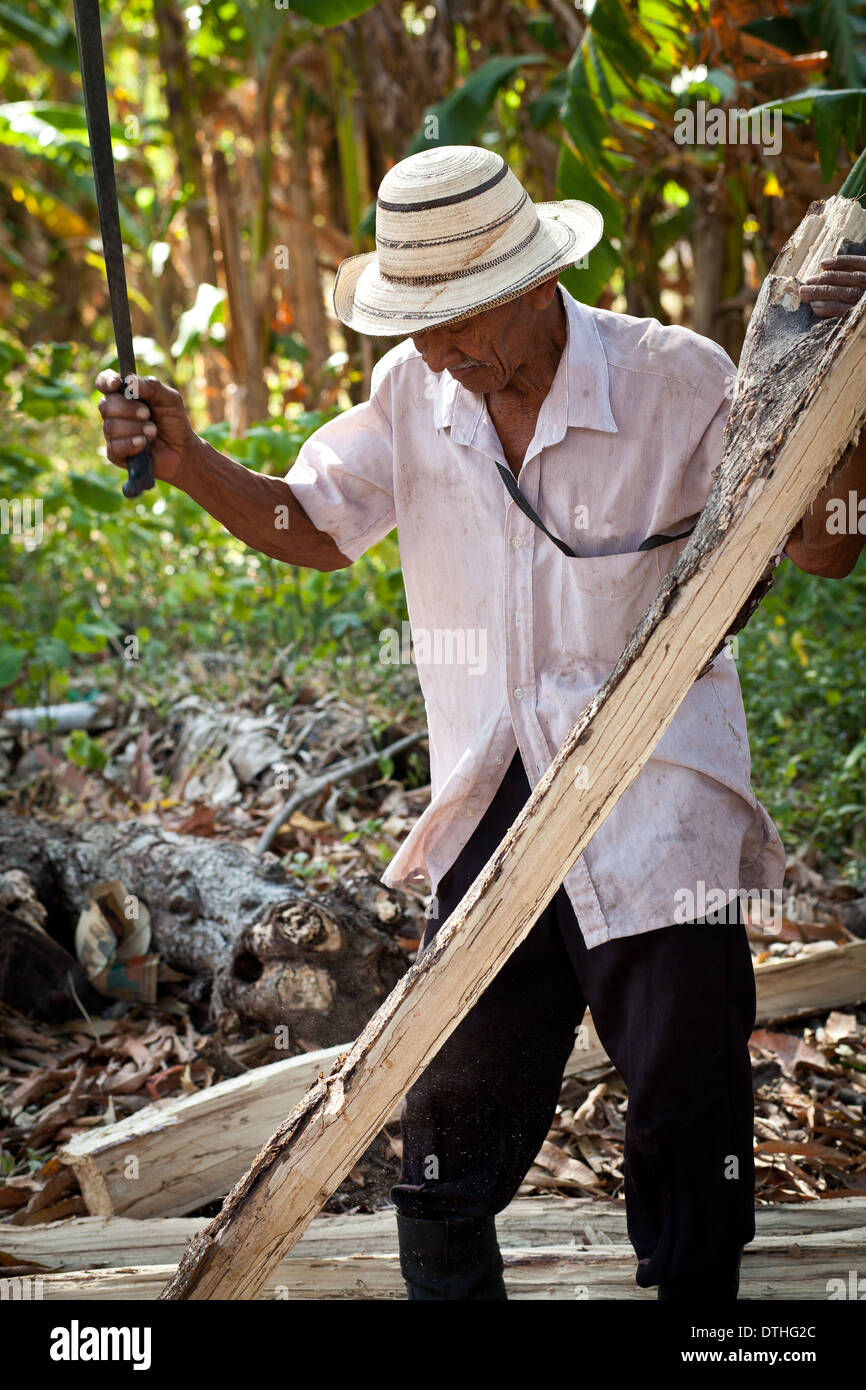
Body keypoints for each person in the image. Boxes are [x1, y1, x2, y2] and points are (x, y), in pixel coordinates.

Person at [97, 145, 866, 1301]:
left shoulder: (673, 379)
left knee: (681, 1104)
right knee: (449, 1127)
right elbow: (309, 521)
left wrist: (846, 393)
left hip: (653, 792)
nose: (436, 351)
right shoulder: (419, 393)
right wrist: (183, 451)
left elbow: (820, 547)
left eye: (456, 322)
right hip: (491, 800)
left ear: (533, 283)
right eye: (416, 324)